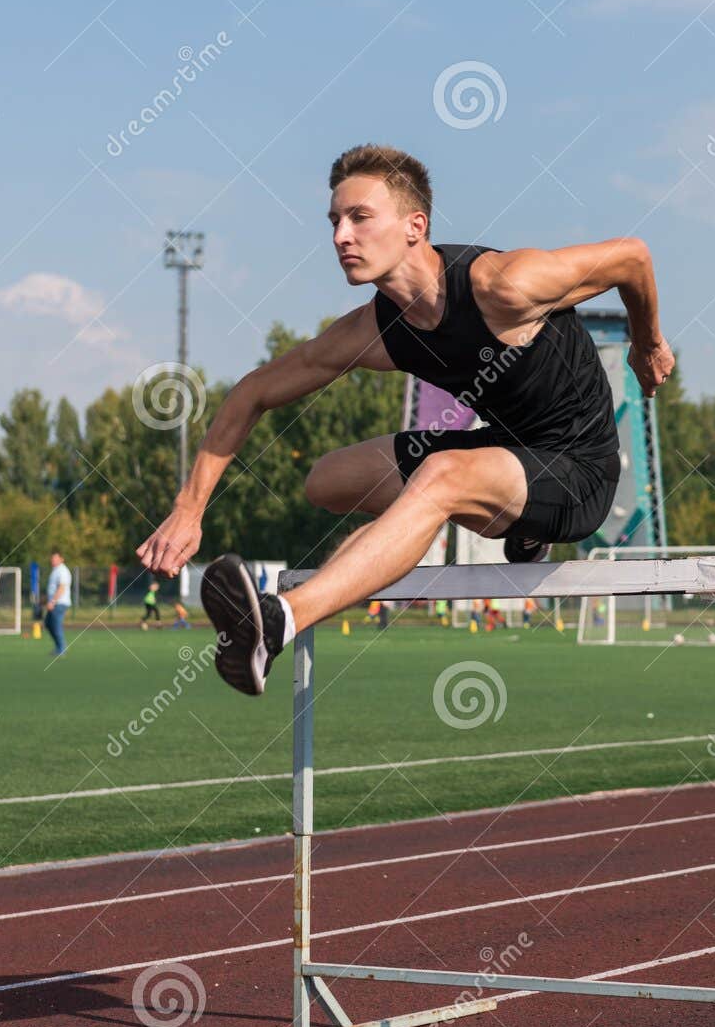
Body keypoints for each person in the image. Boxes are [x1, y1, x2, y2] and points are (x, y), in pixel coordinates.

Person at [135, 145, 670, 695]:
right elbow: (253, 392)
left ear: (416, 226)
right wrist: (188, 510)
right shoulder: (378, 330)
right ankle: (518, 526)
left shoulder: (502, 286)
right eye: (335, 221)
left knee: (441, 475)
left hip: (579, 471)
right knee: (327, 480)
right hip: (503, 449)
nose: (341, 236)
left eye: (360, 218)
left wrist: (647, 345)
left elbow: (632, 257)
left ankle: (277, 623)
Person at [43, 551, 71, 656]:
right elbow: (52, 589)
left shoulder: (62, 571)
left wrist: (53, 602)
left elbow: (62, 587)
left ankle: (61, 648)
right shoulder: (55, 570)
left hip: (59, 603)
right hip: (54, 602)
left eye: (55, 558)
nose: (52, 560)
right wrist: (45, 600)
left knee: (56, 625)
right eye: (52, 558)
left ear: (61, 559)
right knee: (48, 624)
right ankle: (60, 647)